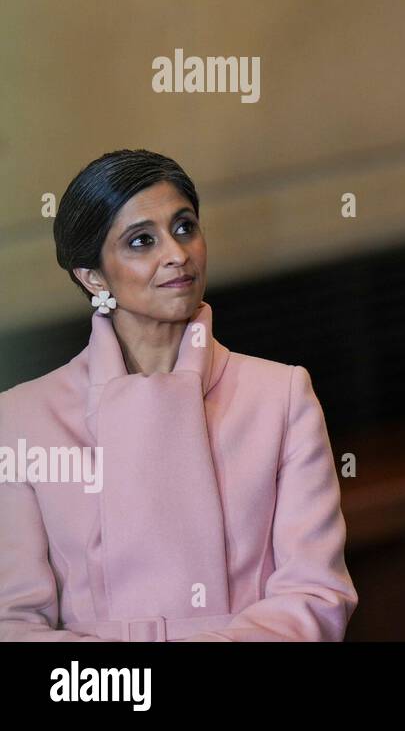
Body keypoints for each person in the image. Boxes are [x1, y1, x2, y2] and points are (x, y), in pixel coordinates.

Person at [0, 149, 356, 641]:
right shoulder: (22, 418)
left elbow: (315, 595)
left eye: (185, 227)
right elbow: (12, 622)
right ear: (93, 277)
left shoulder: (281, 395)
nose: (177, 253)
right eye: (142, 240)